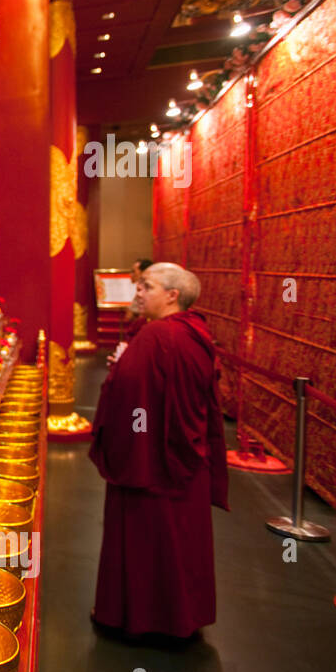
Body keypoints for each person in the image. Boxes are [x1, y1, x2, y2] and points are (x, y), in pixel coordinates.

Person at [89, 262, 230, 637]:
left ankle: (143, 618)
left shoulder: (158, 336)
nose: (138, 291)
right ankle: (179, 617)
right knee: (183, 542)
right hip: (185, 460)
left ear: (172, 295)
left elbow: (132, 393)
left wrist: (117, 374)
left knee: (148, 541)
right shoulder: (196, 332)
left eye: (146, 286)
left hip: (149, 461)